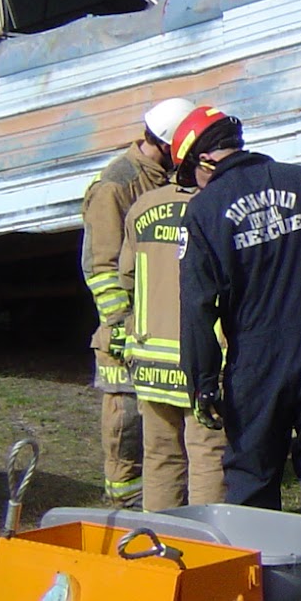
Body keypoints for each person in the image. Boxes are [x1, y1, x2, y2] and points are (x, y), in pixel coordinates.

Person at [173, 104, 301, 522]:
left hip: (256, 360)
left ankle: (263, 583)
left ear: (205, 161)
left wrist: (203, 382)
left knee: (253, 477)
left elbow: (197, 306)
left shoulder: (205, 210)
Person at [80, 96, 195, 508]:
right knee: (126, 417)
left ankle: (164, 494)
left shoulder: (165, 176)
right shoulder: (117, 185)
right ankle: (124, 499)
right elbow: (102, 267)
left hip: (161, 321)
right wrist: (121, 325)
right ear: (166, 143)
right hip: (128, 328)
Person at [118, 176, 226, 510]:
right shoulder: (217, 206)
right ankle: (206, 547)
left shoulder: (144, 206)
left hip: (150, 360)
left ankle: (158, 542)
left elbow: (126, 275)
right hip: (202, 360)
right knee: (208, 454)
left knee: (160, 456)